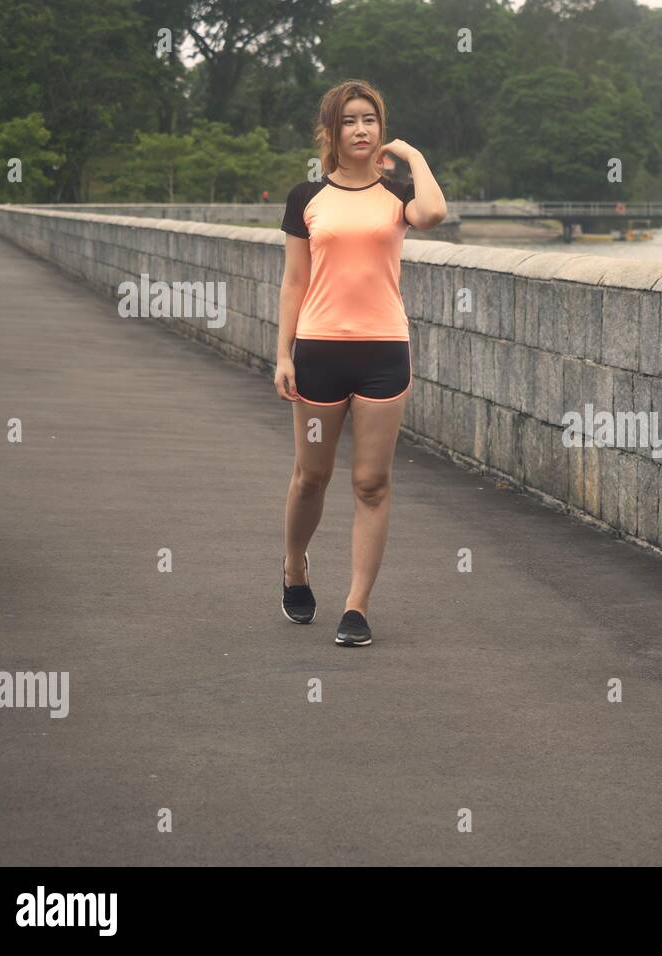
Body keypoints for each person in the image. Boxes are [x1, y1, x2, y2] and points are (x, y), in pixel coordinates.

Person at [274, 79, 446, 647]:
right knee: (311, 477)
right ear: (332, 130)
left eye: (369, 119)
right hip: (319, 352)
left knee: (372, 482)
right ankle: (295, 565)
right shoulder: (306, 198)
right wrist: (283, 354)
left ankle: (356, 606)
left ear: (381, 128)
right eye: (349, 120)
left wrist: (414, 155)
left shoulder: (398, 193)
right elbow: (294, 281)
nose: (361, 129)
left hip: (382, 353)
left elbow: (435, 213)